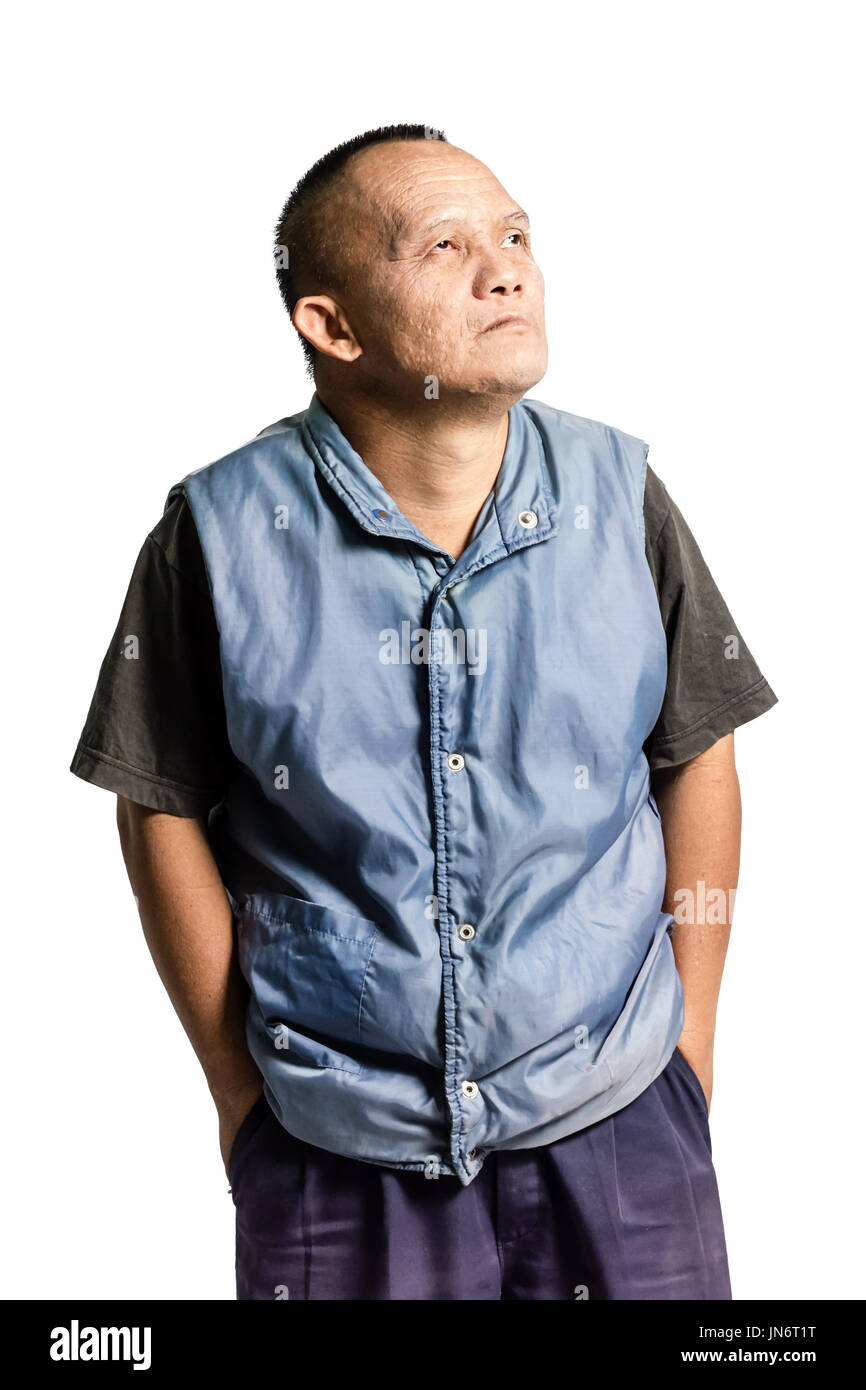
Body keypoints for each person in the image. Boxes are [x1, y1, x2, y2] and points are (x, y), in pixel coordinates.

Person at [71, 124, 778, 1300]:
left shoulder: (621, 496)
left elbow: (697, 749)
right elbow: (158, 806)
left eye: (514, 238)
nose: (505, 270)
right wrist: (240, 1099)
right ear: (331, 326)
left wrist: (688, 1047)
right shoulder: (218, 533)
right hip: (336, 1161)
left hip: (621, 1131)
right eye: (445, 246)